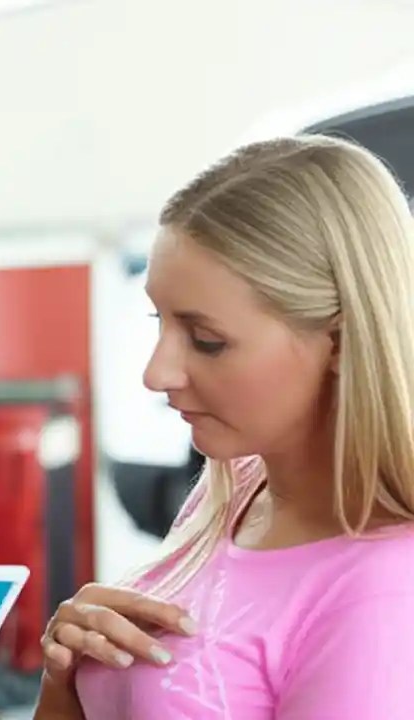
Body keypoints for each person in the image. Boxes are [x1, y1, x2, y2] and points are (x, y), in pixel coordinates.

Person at [33, 135, 414, 719]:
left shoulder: (386, 591)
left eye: (207, 340)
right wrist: (68, 676)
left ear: (339, 341)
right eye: (159, 322)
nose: (156, 374)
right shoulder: (232, 493)